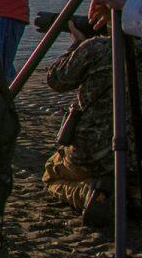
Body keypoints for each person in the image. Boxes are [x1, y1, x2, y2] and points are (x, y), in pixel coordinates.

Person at [43, 19, 141, 225]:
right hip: (137, 158)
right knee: (131, 177)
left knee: (51, 173)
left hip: (93, 152)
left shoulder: (98, 48)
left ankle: (89, 192)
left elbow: (56, 79)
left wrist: (76, 44)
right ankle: (131, 195)